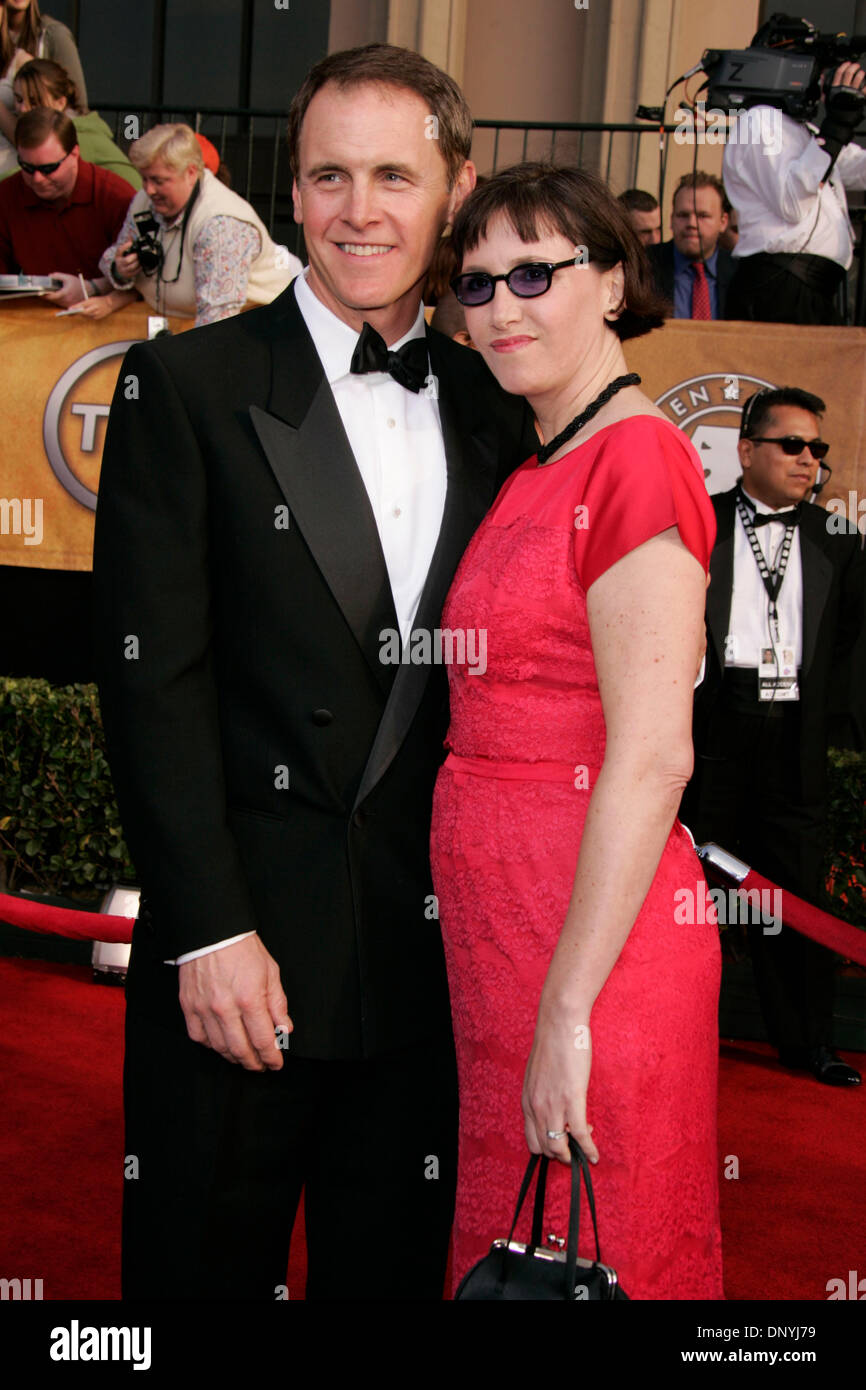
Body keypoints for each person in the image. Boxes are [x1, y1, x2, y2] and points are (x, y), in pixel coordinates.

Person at [92, 42, 536, 1302]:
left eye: (394, 174)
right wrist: (208, 927)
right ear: (291, 195)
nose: (359, 210)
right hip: (243, 955)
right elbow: (149, 679)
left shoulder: (498, 402)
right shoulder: (186, 384)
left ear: (454, 191)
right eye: (330, 174)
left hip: (427, 961)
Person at [430, 161, 724, 1299]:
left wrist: (565, 1010)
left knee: (599, 1253)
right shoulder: (540, 458)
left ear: (610, 282)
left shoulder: (636, 457)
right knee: (521, 1252)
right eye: (476, 284)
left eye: (534, 274)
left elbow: (655, 754)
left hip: (591, 950)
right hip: (507, 937)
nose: (499, 307)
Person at [681, 387, 864, 1086]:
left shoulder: (840, 540)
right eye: (792, 445)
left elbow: (850, 643)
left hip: (794, 736)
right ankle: (672, 1032)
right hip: (713, 730)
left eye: (817, 449)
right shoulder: (695, 522)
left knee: (796, 897)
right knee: (685, 891)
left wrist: (829, 727)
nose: (808, 460)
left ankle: (807, 1042)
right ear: (747, 450)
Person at [722, 22, 866, 324]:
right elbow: (792, 202)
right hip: (778, 287)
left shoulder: (808, 133)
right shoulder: (759, 120)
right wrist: (836, 126)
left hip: (812, 290)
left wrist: (840, 123)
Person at [93, 122, 300, 326]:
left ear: (191, 172)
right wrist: (120, 268)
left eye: (158, 181)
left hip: (261, 327)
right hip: (180, 326)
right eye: (144, 179)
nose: (149, 190)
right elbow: (111, 258)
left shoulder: (221, 226)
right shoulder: (143, 202)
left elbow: (216, 323)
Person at [0, 107, 130, 290]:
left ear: (75, 154)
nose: (37, 178)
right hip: (32, 311)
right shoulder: (7, 195)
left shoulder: (115, 197)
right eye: (26, 167)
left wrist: (90, 291)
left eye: (48, 168)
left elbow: (140, 282)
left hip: (104, 311)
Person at [6, 57, 141, 189]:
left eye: (34, 101)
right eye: (18, 99)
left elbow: (20, 176)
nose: (23, 108)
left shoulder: (78, 135)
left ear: (61, 103)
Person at [646, 171, 735, 318]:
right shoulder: (643, 267)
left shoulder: (739, 274)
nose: (691, 224)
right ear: (671, 219)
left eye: (703, 216)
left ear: (723, 222)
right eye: (683, 215)